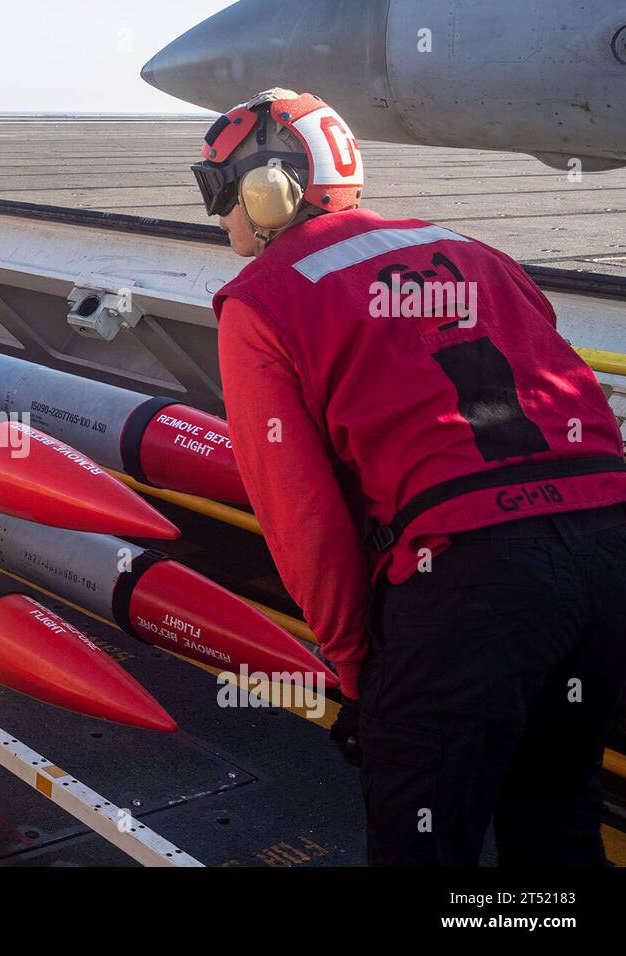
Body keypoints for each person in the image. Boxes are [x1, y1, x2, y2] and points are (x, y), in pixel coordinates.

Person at [191, 88, 626, 867]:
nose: (216, 211)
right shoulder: (476, 252)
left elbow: (305, 522)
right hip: (608, 552)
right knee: (558, 823)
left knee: (422, 840)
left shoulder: (262, 300)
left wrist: (362, 671)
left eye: (217, 187)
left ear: (269, 188)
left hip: (472, 585)